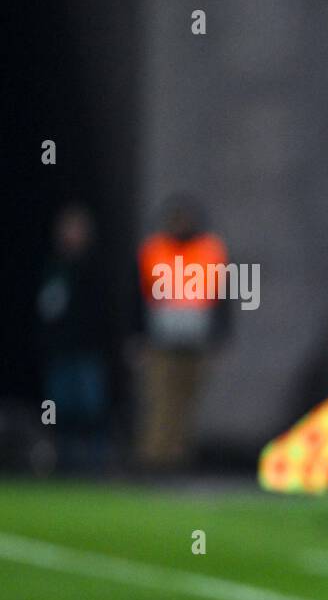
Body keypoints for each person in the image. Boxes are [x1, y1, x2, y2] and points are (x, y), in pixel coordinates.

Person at [134, 195, 228, 472]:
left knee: (188, 401)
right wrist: (137, 334)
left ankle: (178, 459)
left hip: (196, 341)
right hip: (161, 340)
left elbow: (222, 296)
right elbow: (137, 296)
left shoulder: (210, 250)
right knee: (161, 399)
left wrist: (219, 334)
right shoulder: (154, 250)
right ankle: (155, 458)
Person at [36, 204, 111, 470]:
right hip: (61, 350)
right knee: (60, 409)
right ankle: (63, 461)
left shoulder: (96, 268)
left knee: (91, 408)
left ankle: (95, 462)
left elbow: (104, 312)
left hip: (89, 350)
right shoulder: (54, 268)